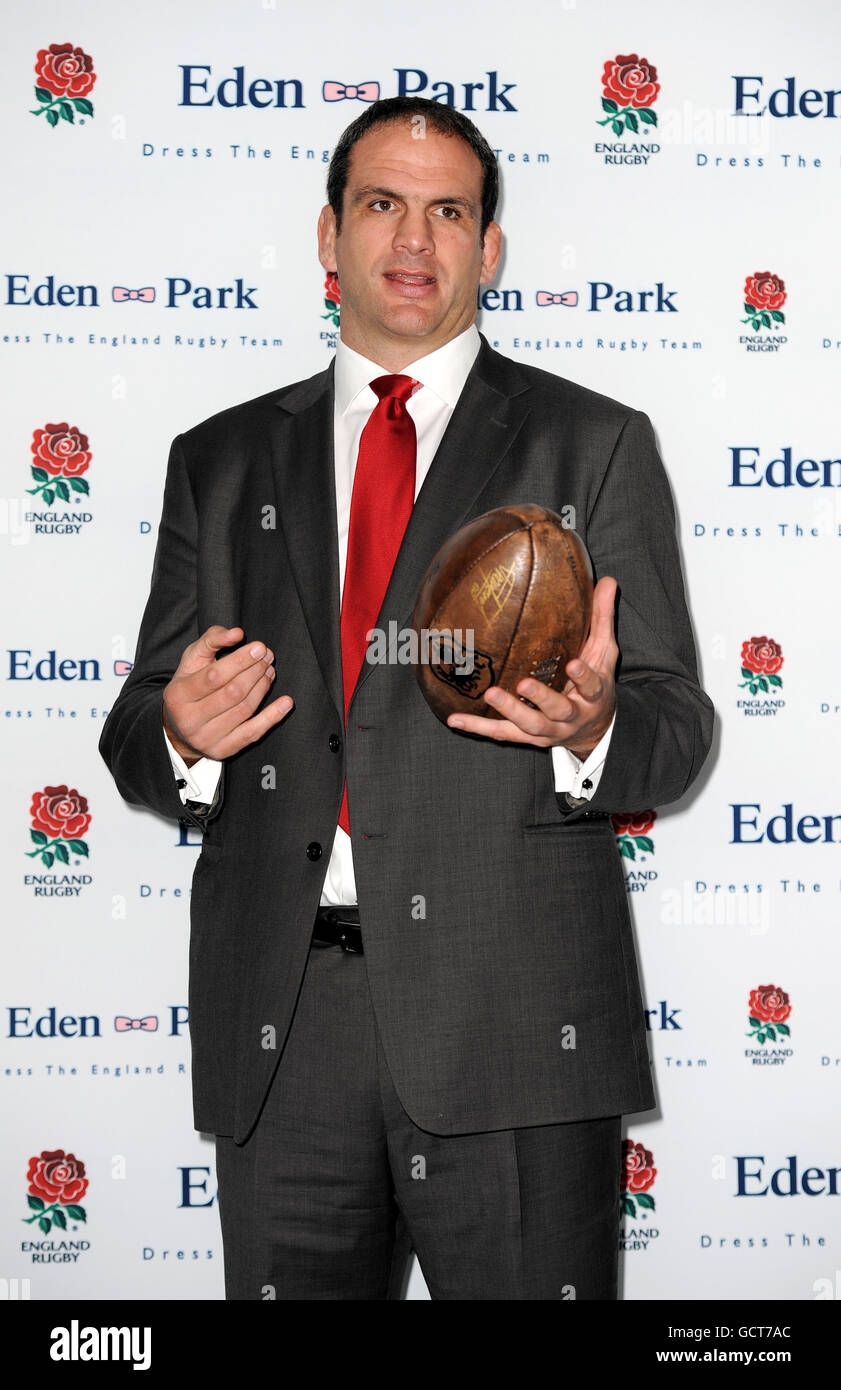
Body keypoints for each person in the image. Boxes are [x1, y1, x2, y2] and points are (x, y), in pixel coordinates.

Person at [100, 97, 713, 1300]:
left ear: (491, 250)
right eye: (382, 203)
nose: (414, 239)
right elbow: (137, 727)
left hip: (517, 1020)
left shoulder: (591, 445)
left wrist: (593, 730)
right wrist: (177, 736)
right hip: (287, 1028)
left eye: (449, 211)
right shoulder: (219, 460)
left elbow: (676, 727)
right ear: (328, 236)